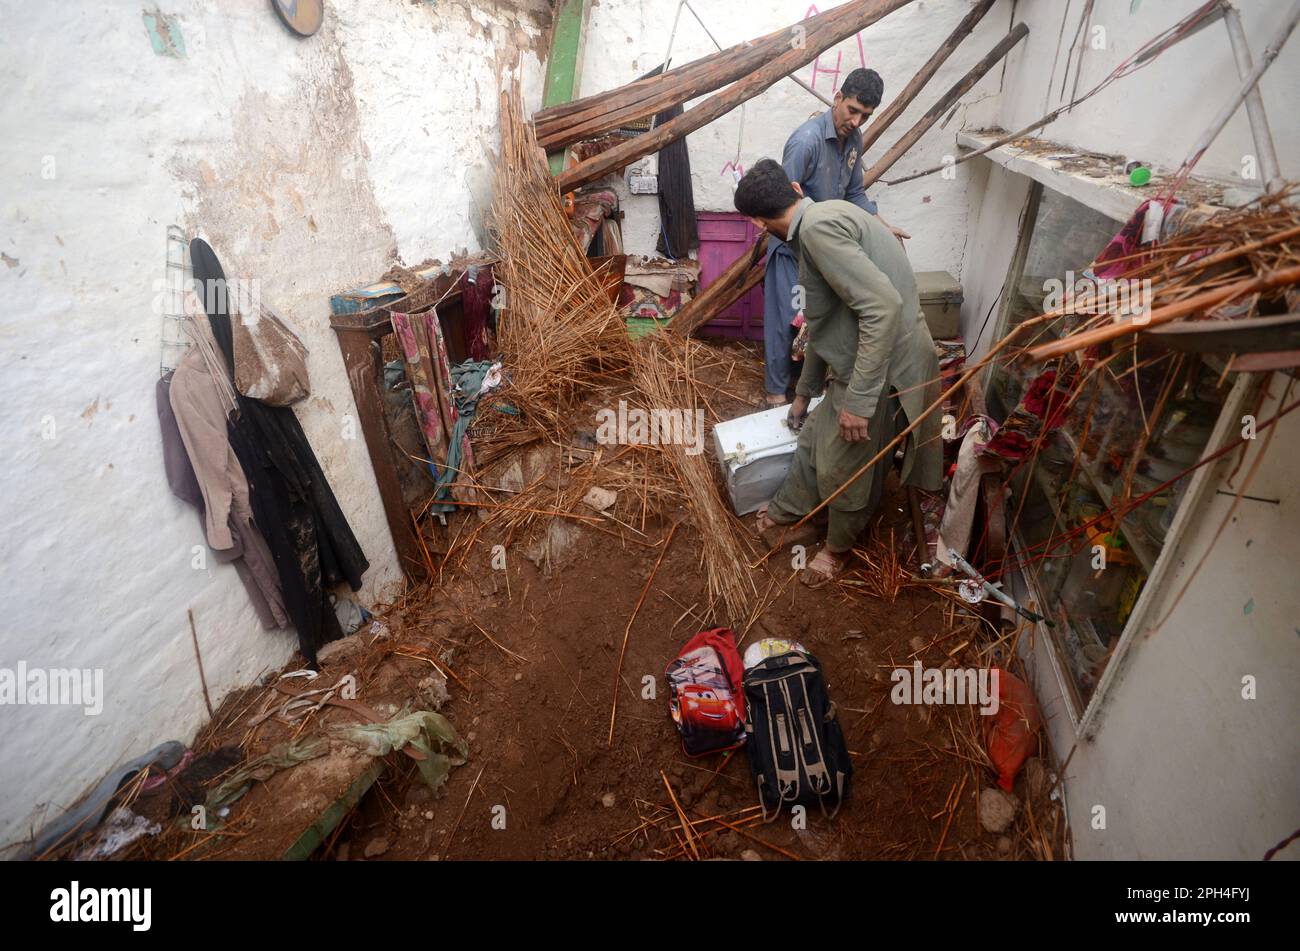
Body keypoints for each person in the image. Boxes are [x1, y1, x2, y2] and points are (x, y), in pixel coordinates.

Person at [734, 159, 942, 586]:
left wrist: (861, 404)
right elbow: (824, 323)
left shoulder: (817, 230)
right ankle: (789, 515)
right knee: (812, 441)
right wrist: (803, 394)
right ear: (794, 187)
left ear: (757, 221)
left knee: (848, 467)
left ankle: (837, 548)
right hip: (858, 360)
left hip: (885, 369)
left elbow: (884, 308)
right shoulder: (822, 215)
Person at [762, 68, 909, 407]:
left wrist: (881, 226)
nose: (856, 121)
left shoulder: (854, 140)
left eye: (865, 116)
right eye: (852, 110)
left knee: (816, 320)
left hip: (827, 249)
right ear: (837, 98)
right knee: (785, 321)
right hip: (791, 248)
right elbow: (780, 200)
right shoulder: (806, 141)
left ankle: (803, 392)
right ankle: (773, 395)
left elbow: (855, 192)